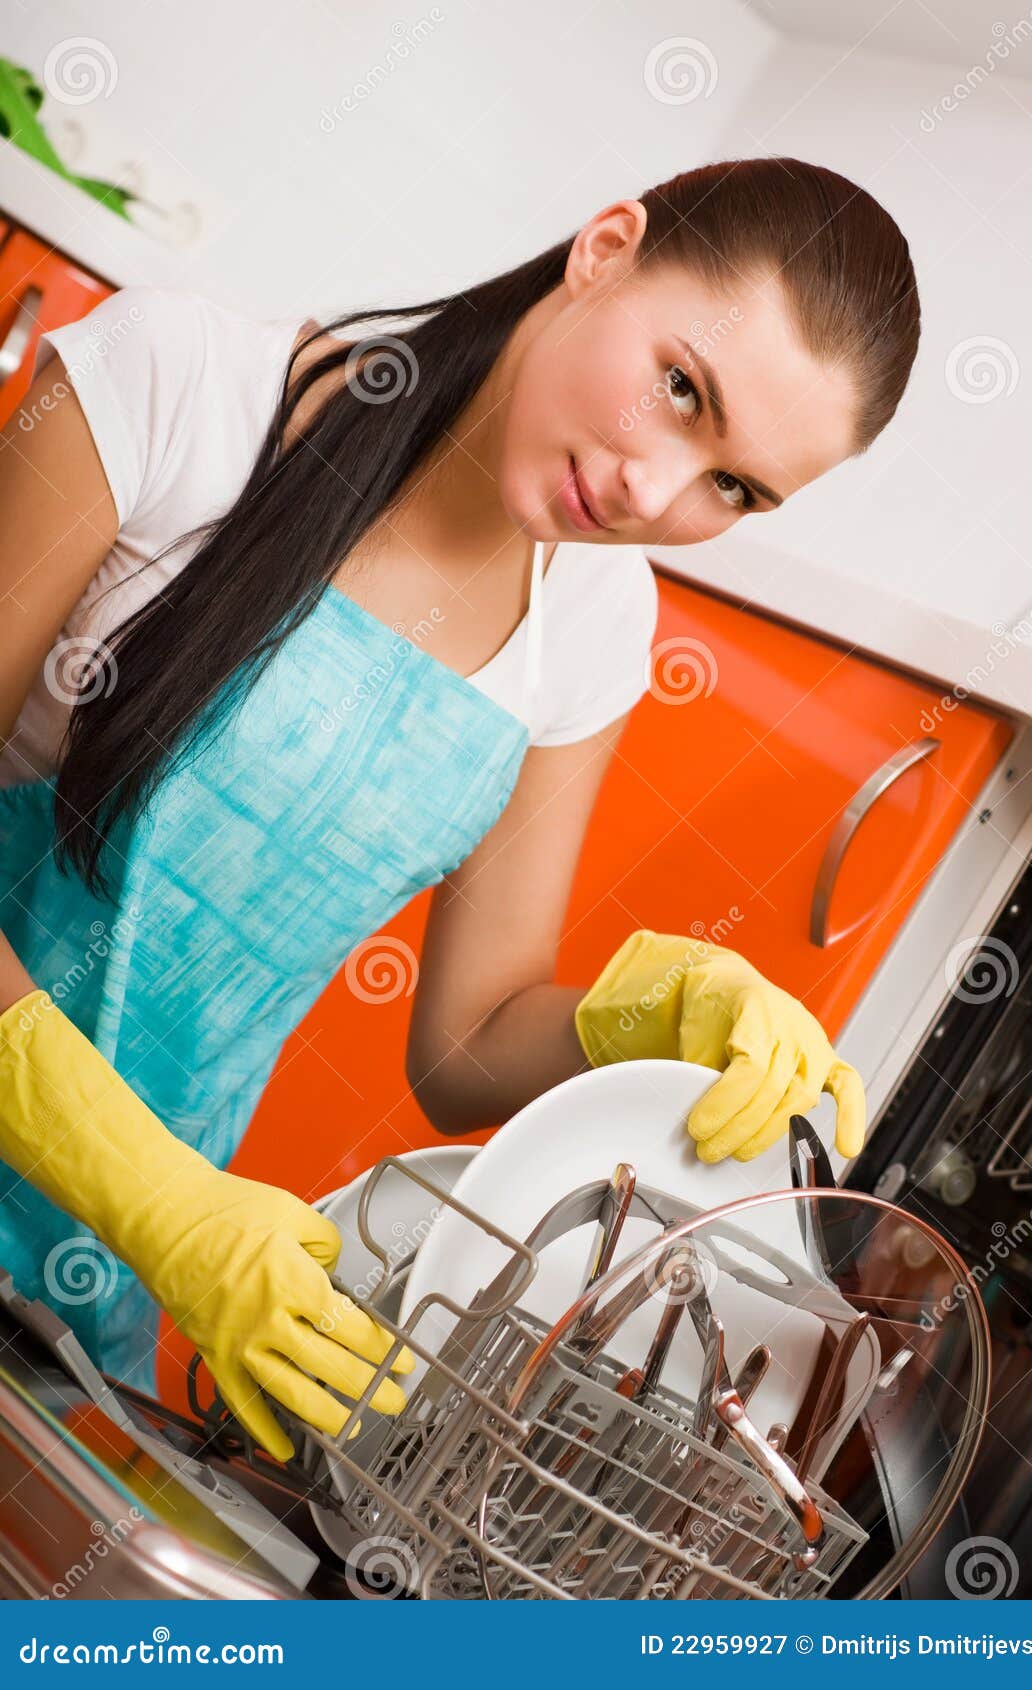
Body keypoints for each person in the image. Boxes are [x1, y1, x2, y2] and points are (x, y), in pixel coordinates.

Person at [0, 157, 919, 1463]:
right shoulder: (179, 385)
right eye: (680, 388)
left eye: (736, 487)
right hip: (153, 1225)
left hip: (91, 1312)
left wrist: (645, 1014)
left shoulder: (595, 625)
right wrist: (157, 1200)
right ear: (603, 248)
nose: (659, 493)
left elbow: (468, 1049)